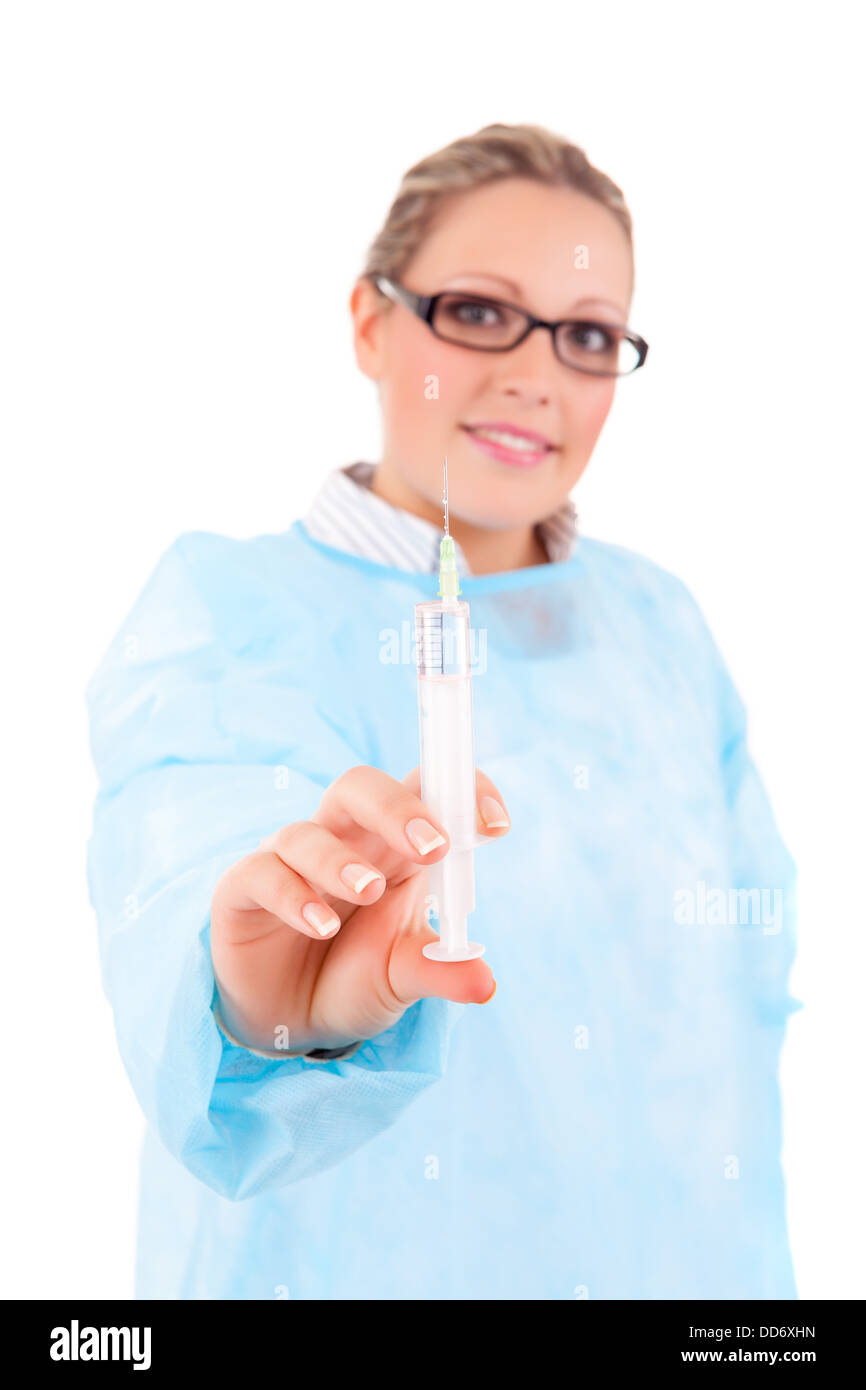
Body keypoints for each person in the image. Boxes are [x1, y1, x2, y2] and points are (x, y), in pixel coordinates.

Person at [86, 122, 801, 1300]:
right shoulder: (229, 610)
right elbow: (201, 853)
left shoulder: (659, 624)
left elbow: (734, 1010)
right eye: (477, 311)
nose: (532, 374)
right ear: (372, 324)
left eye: (583, 335)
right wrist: (278, 1010)